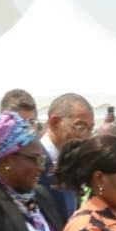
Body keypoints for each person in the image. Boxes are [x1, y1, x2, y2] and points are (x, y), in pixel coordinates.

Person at [39, 92, 94, 221]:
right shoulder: (33, 162)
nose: (86, 137)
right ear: (54, 122)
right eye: (80, 127)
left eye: (90, 129)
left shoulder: (75, 163)